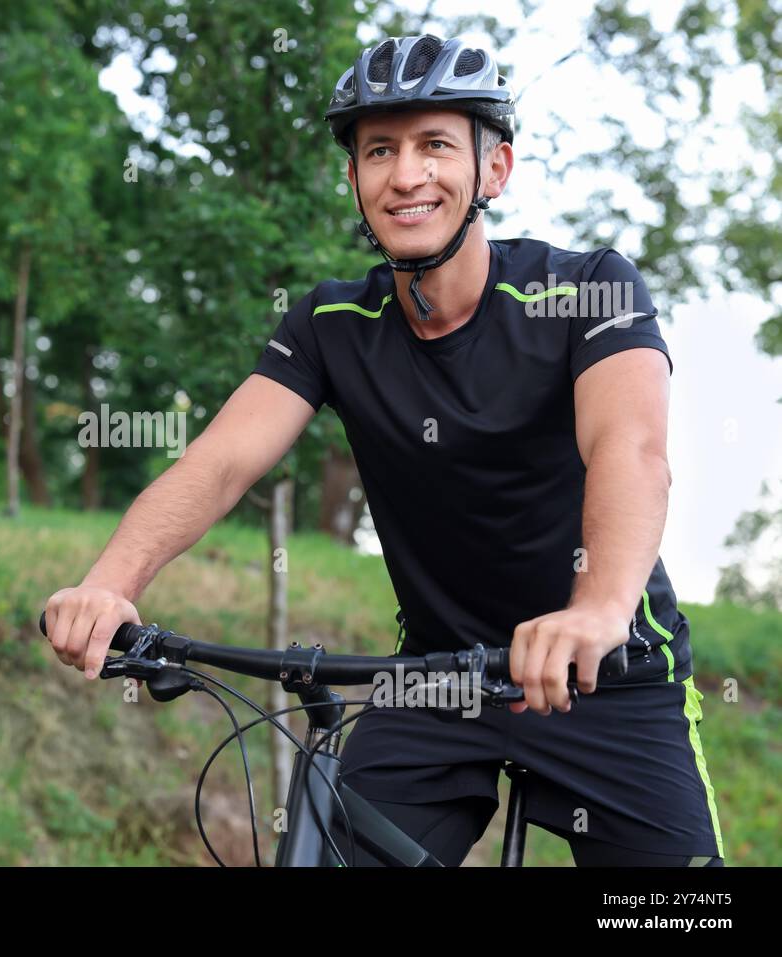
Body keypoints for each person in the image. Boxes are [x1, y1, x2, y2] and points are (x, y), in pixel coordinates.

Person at [43, 33, 723, 867]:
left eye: (436, 144)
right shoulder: (329, 327)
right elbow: (217, 462)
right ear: (355, 179)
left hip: (608, 674)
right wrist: (111, 584)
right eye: (379, 151)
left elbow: (632, 445)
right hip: (433, 681)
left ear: (495, 170)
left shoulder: (587, 289)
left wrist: (598, 607)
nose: (407, 175)